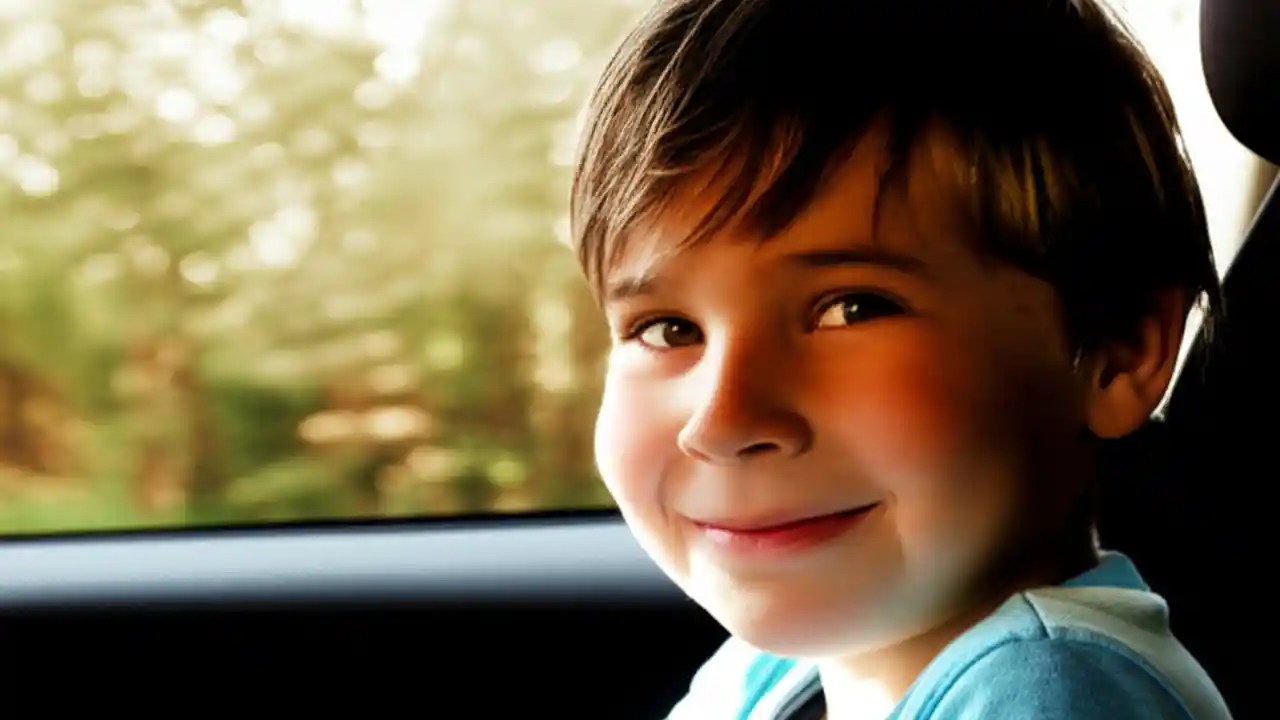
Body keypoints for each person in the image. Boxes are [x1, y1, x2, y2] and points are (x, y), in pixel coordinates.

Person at [568, 0, 1233, 718]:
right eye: (668, 329)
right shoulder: (774, 671)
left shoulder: (1052, 692)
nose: (723, 420)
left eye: (853, 308)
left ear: (1115, 352)